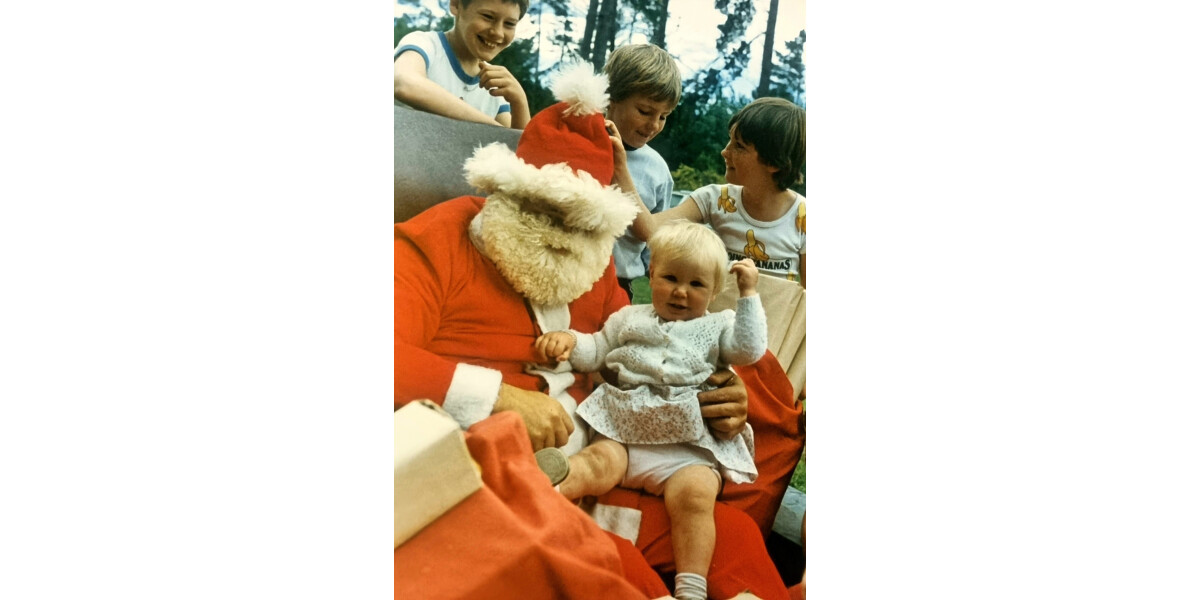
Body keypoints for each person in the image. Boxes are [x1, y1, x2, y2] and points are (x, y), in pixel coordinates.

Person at [395, 64, 799, 599]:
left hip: (604, 459)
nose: (566, 237)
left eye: (584, 223)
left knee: (734, 540)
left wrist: (718, 390)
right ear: (508, 194)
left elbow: (634, 351)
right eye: (547, 213)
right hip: (484, 472)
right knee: (582, 563)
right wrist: (500, 399)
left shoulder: (593, 259)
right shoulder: (438, 240)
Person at [533, 222, 767, 600]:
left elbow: (748, 349)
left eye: (697, 285)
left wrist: (749, 295)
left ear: (714, 291)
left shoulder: (716, 326)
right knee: (594, 462)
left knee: (695, 496)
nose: (680, 291)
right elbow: (596, 350)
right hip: (625, 431)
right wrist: (569, 341)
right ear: (651, 271)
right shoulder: (628, 318)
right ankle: (539, 494)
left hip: (684, 448)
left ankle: (691, 589)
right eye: (671, 277)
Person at [628, 97, 806, 286]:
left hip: (776, 316)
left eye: (739, 146)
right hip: (717, 316)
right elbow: (648, 229)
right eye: (730, 141)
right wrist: (621, 170)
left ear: (773, 162)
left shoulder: (803, 217)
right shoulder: (715, 199)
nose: (724, 151)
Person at [603, 44, 681, 299]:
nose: (653, 125)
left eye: (663, 116)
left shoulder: (657, 170)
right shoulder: (576, 141)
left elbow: (655, 241)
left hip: (619, 285)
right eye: (645, 111)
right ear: (610, 98)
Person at [393, 0, 531, 129]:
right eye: (488, 16)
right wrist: (492, 128)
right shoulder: (425, 44)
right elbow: (405, 84)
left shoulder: (495, 84)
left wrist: (520, 102)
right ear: (456, 5)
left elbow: (517, 148)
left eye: (509, 24)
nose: (498, 33)